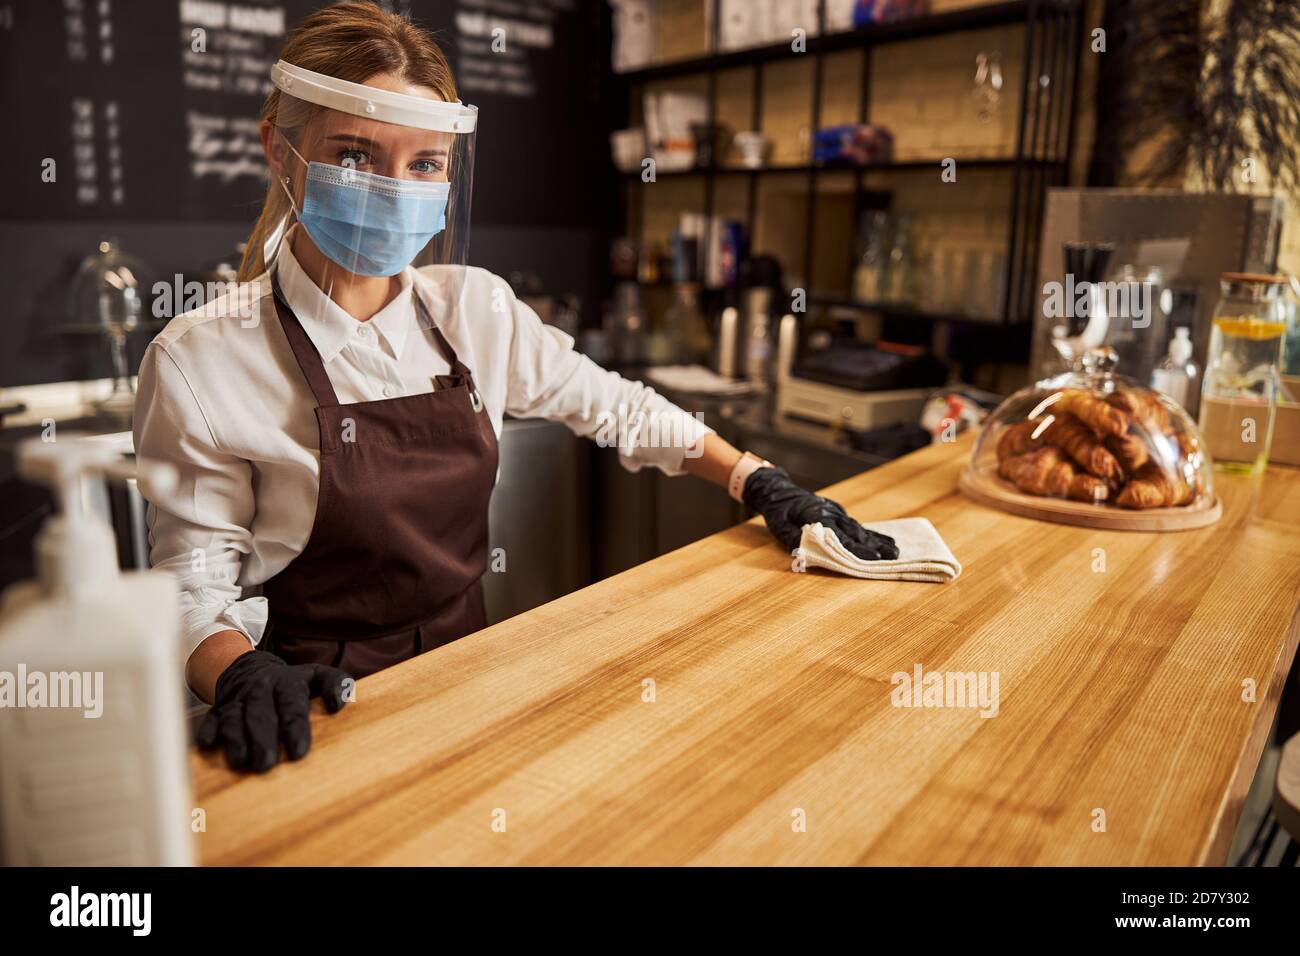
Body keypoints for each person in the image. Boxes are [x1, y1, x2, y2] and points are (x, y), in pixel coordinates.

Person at [134, 1, 897, 773]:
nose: (395, 188)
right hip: (312, 716)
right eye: (356, 157)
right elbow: (189, 586)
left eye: (425, 164)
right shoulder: (204, 358)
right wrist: (238, 674)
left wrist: (755, 478)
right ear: (280, 150)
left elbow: (618, 407)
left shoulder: (475, 310)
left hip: (469, 683)